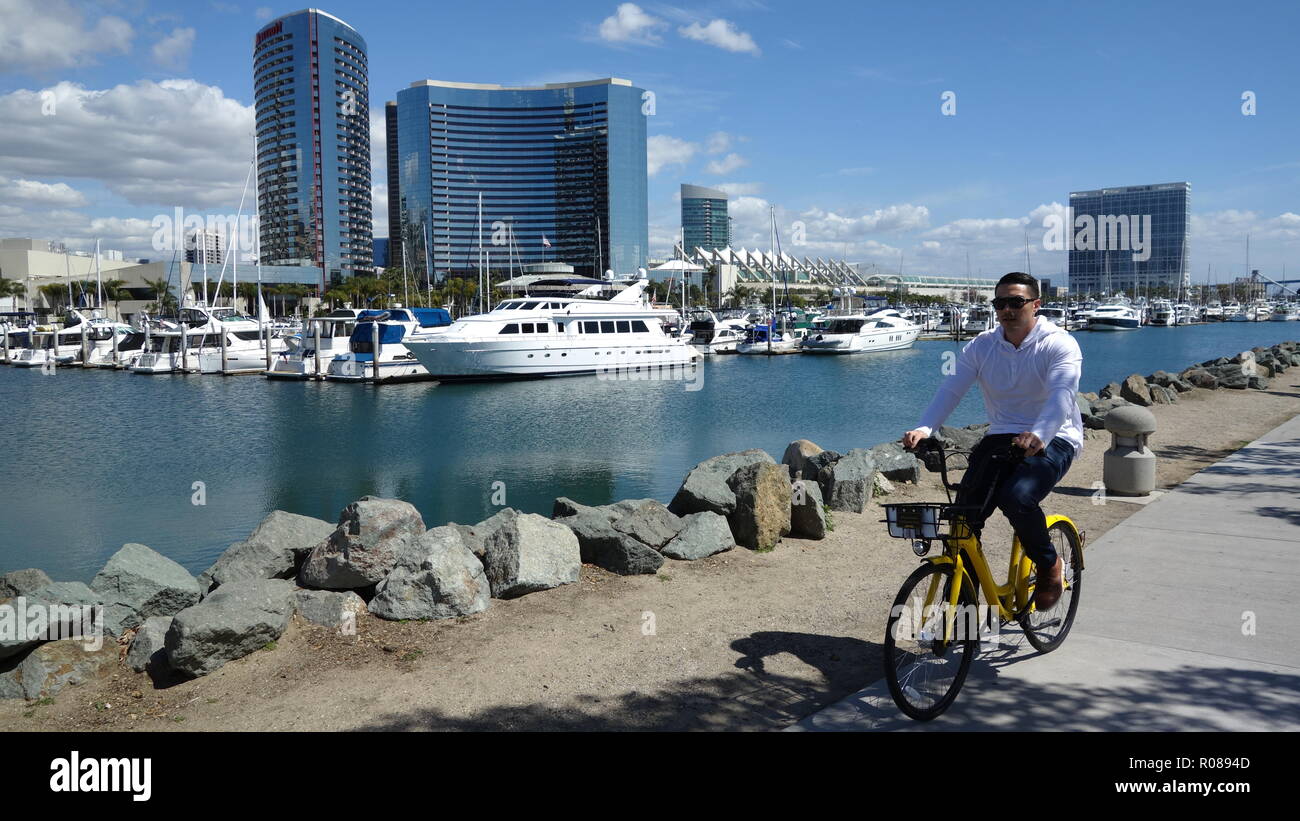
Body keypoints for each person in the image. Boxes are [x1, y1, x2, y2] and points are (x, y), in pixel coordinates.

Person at [901, 272, 1082, 610]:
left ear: (1036, 305)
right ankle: (962, 595)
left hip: (1055, 436)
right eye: (1000, 303)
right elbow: (951, 390)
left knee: (1017, 497)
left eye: (1016, 302)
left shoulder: (1059, 343)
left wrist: (1040, 434)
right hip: (1001, 435)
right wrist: (925, 428)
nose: (1007, 310)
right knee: (963, 517)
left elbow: (1062, 394)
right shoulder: (982, 346)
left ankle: (1048, 564)